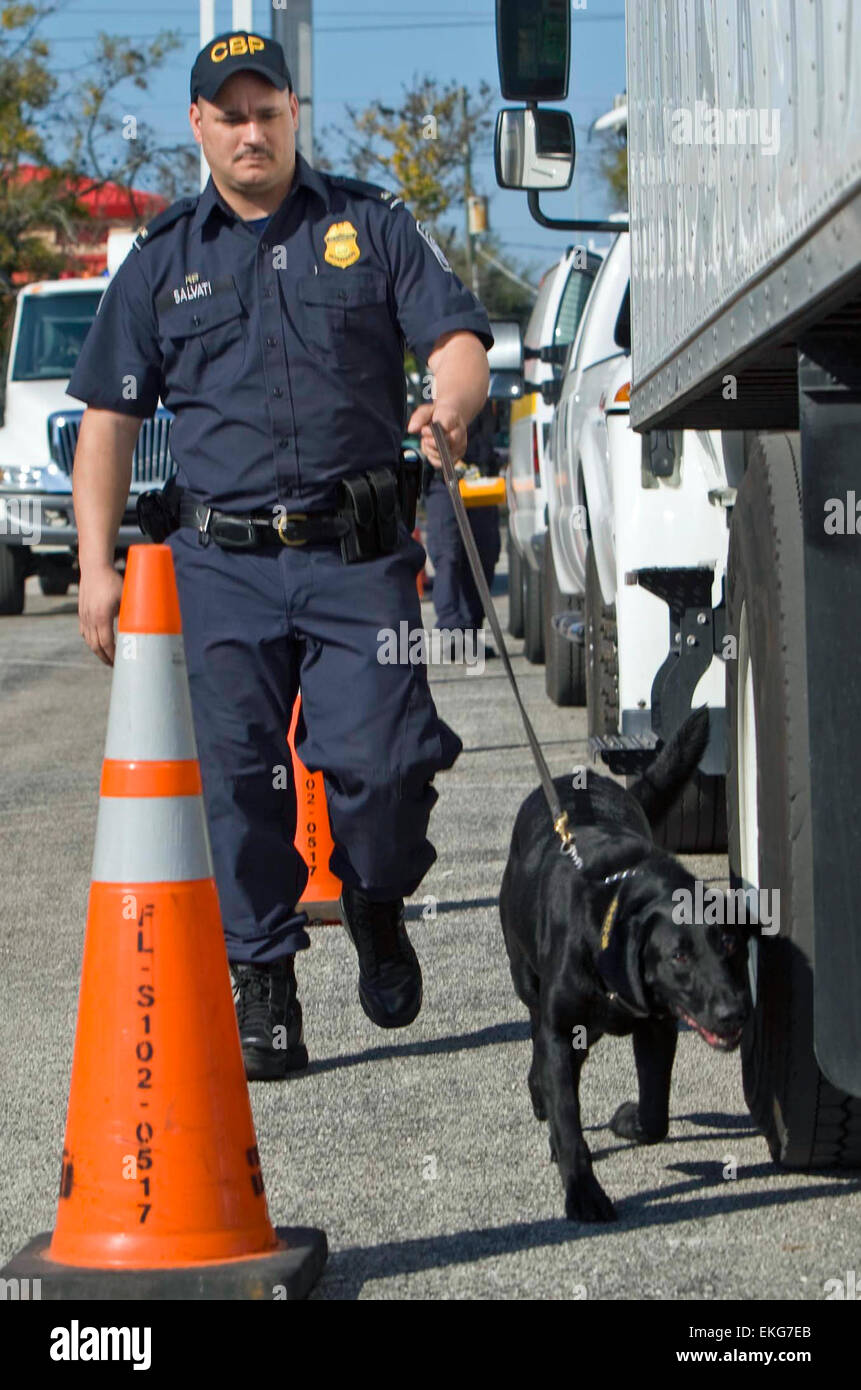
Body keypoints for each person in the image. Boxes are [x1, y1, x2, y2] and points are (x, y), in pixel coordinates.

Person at [68, 30, 493, 1080]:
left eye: (268, 110)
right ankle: (263, 978)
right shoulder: (164, 259)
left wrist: (450, 405)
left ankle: (376, 896)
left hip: (358, 557)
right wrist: (95, 565)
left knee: (386, 764)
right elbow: (108, 421)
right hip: (221, 566)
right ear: (199, 127)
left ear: (295, 114)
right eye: (230, 113)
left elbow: (457, 340)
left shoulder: (372, 225)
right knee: (238, 783)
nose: (251, 130)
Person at [423, 398, 501, 649]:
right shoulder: (428, 372)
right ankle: (451, 630)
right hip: (442, 479)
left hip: (480, 478)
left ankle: (469, 632)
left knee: (484, 555)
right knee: (448, 554)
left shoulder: (483, 374)